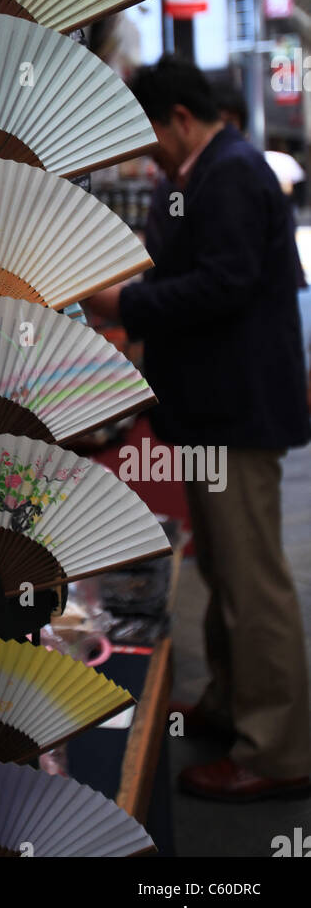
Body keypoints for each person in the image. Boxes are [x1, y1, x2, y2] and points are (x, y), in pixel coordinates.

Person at [87, 55, 311, 803]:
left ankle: (279, 750)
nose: (144, 151)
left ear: (179, 117)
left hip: (238, 411)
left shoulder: (235, 174)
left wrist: (127, 302)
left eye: (148, 134)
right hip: (214, 406)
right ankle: (230, 703)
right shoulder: (202, 175)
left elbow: (227, 283)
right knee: (222, 569)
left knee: (254, 581)